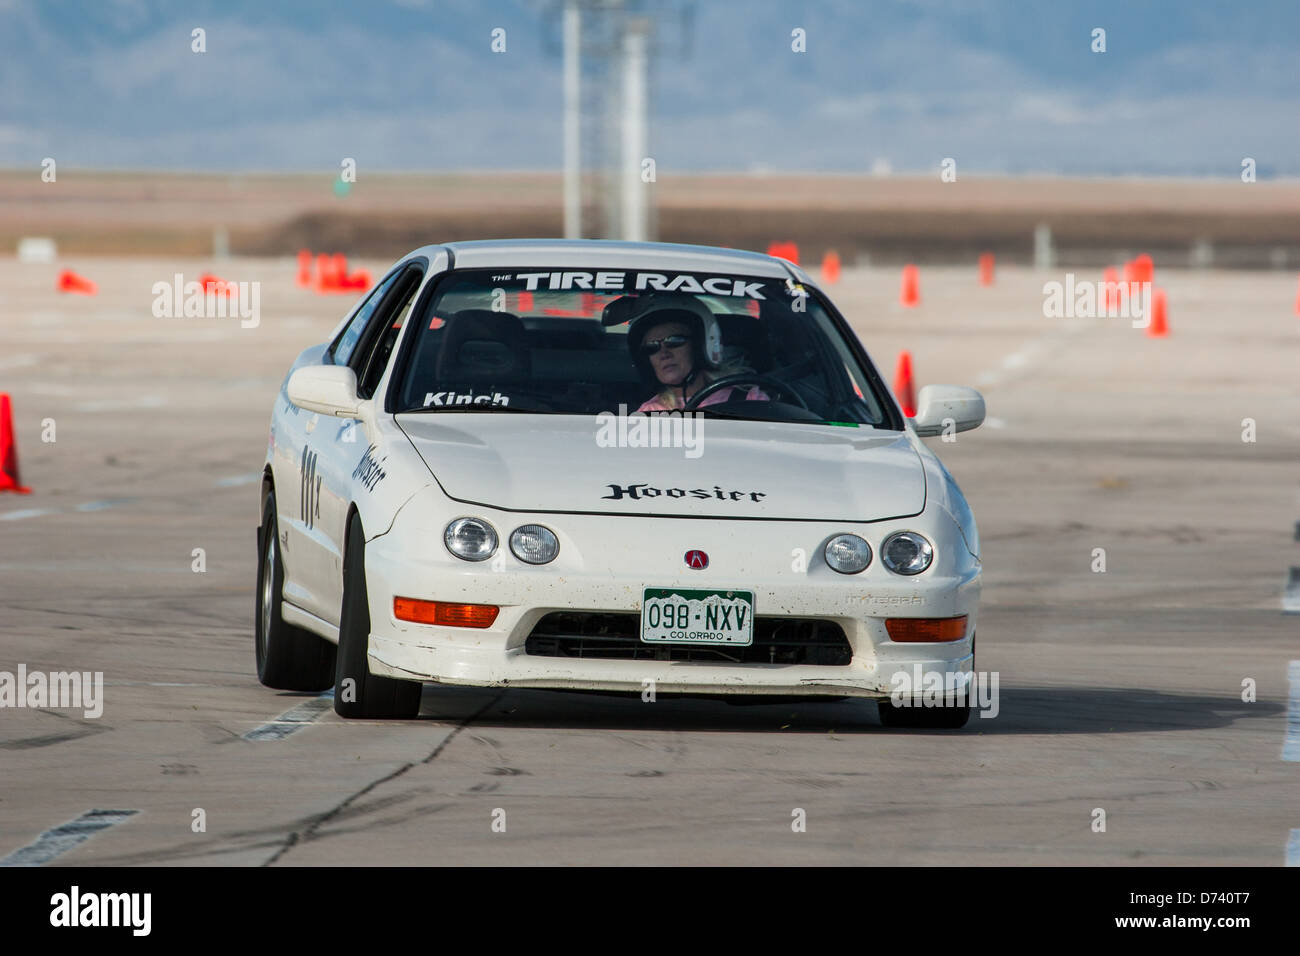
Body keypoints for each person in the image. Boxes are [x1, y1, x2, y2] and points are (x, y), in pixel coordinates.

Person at [626, 296, 769, 413]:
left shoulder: (749, 400)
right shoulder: (649, 413)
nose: (664, 354)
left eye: (674, 341)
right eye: (652, 347)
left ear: (700, 346)